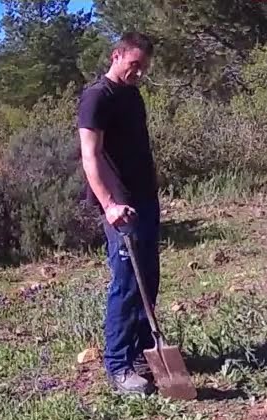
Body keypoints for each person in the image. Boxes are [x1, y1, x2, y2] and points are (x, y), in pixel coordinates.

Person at [78, 32, 160, 395]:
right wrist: (110, 205)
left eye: (143, 68)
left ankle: (144, 352)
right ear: (116, 56)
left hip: (144, 199)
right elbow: (90, 156)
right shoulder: (97, 97)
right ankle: (118, 364)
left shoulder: (132, 93)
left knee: (149, 277)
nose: (139, 73)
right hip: (120, 204)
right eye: (134, 65)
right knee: (127, 283)